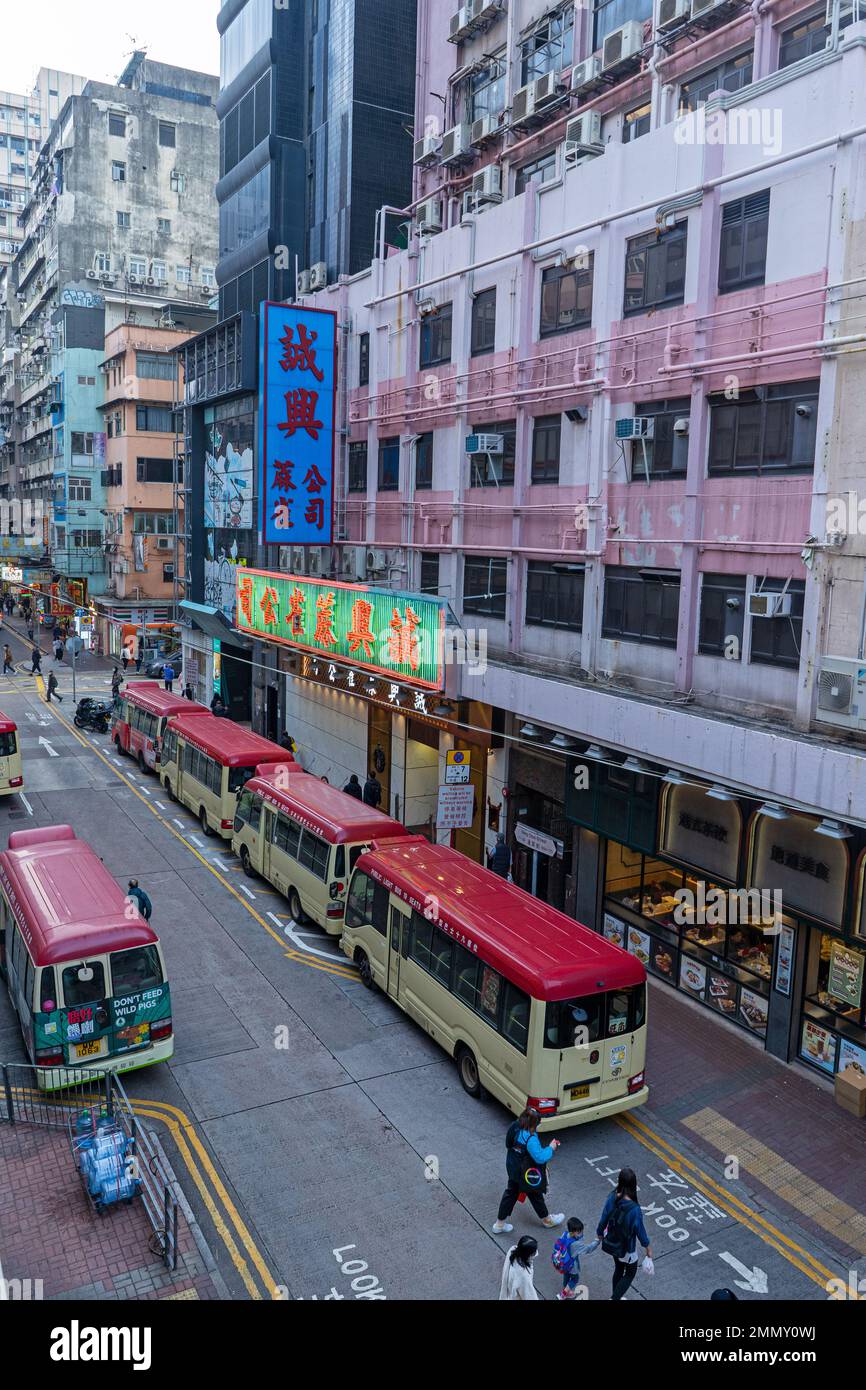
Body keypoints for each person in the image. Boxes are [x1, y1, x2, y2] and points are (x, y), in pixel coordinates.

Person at [493, 1107, 565, 1234]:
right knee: (535, 1194)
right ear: (534, 1124)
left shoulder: (514, 1126)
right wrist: (551, 1147)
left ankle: (499, 1225)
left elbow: (508, 1143)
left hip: (512, 1166)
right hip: (526, 1173)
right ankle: (547, 1220)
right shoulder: (530, 1138)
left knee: (511, 1194)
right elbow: (540, 1158)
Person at [596, 1168, 653, 1301]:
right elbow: (640, 1232)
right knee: (630, 1273)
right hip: (627, 1247)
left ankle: (616, 1295)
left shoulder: (612, 1197)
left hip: (612, 1241)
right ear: (634, 1185)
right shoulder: (634, 1209)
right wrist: (648, 1248)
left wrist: (599, 1233)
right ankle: (615, 1298)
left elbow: (604, 1217)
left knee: (619, 1268)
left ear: (619, 1181)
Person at [553, 1217, 599, 1300]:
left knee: (566, 1275)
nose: (581, 1233)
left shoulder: (566, 1234)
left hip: (563, 1263)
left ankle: (565, 1288)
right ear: (574, 1232)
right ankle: (563, 1294)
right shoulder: (576, 1244)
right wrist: (597, 1241)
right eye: (579, 1232)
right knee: (575, 1279)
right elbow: (588, 1249)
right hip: (572, 1265)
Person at [499, 1237, 540, 1301]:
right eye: (534, 1253)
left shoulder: (512, 1251)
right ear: (528, 1255)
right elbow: (529, 1296)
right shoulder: (524, 1276)